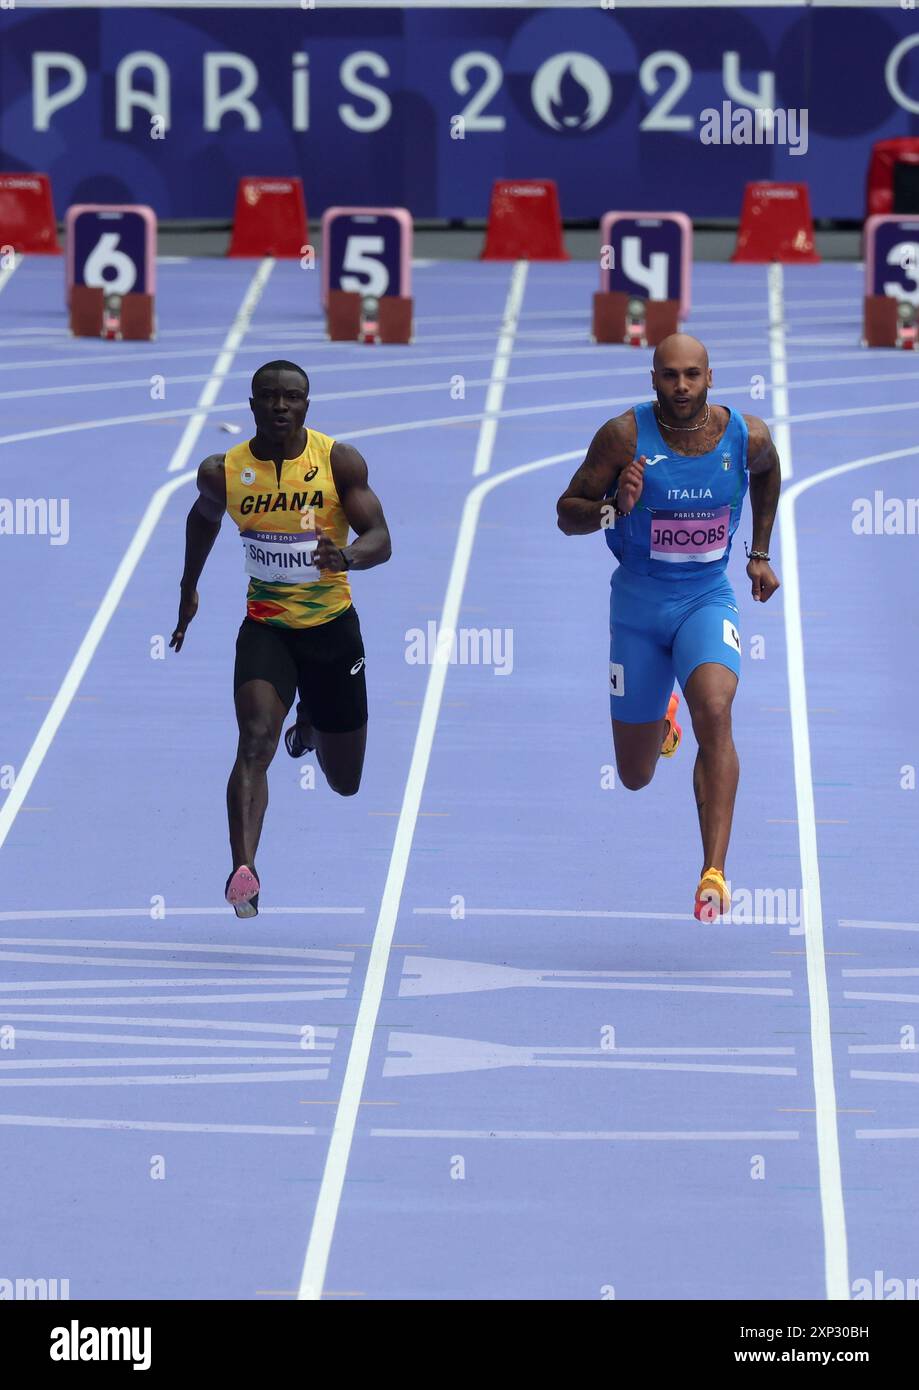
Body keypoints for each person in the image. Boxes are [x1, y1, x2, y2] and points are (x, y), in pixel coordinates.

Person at [556, 333, 781, 921]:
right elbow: (566, 514)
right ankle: (661, 718)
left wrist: (758, 552)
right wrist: (614, 506)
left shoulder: (745, 435)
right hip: (636, 608)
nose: (681, 387)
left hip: (706, 599)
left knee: (716, 709)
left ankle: (714, 872)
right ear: (653, 379)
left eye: (691, 375)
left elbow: (769, 468)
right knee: (633, 775)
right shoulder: (623, 437)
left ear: (711, 377)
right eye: (669, 376)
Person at [170, 360, 392, 917]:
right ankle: (243, 869)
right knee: (254, 740)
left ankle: (314, 721)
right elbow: (203, 519)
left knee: (345, 783)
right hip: (266, 627)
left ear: (306, 406)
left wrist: (343, 556)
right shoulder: (223, 469)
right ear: (251, 405)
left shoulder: (338, 461)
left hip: (332, 631)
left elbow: (381, 539)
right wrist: (188, 587)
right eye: (268, 397)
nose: (279, 406)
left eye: (291, 397)